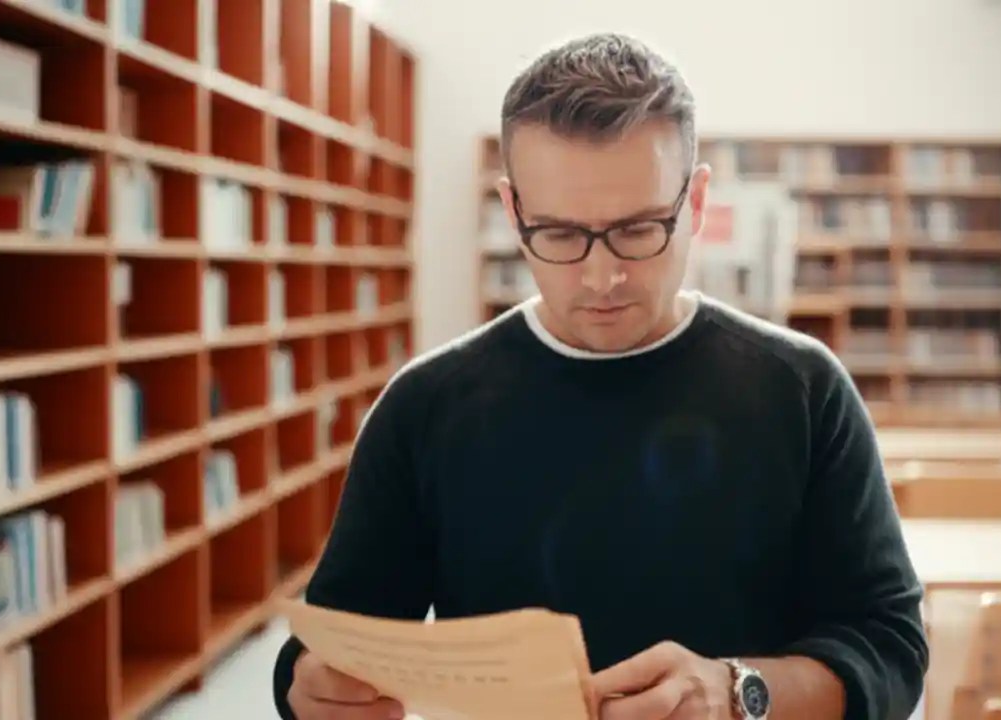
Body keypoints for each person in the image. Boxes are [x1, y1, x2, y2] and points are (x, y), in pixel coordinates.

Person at [272, 32, 927, 720]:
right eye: (559, 234)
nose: (601, 275)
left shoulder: (803, 390)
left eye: (639, 229)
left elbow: (890, 646)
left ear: (695, 204)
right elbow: (332, 642)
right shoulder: (425, 406)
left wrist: (738, 696)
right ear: (514, 213)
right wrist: (309, 683)